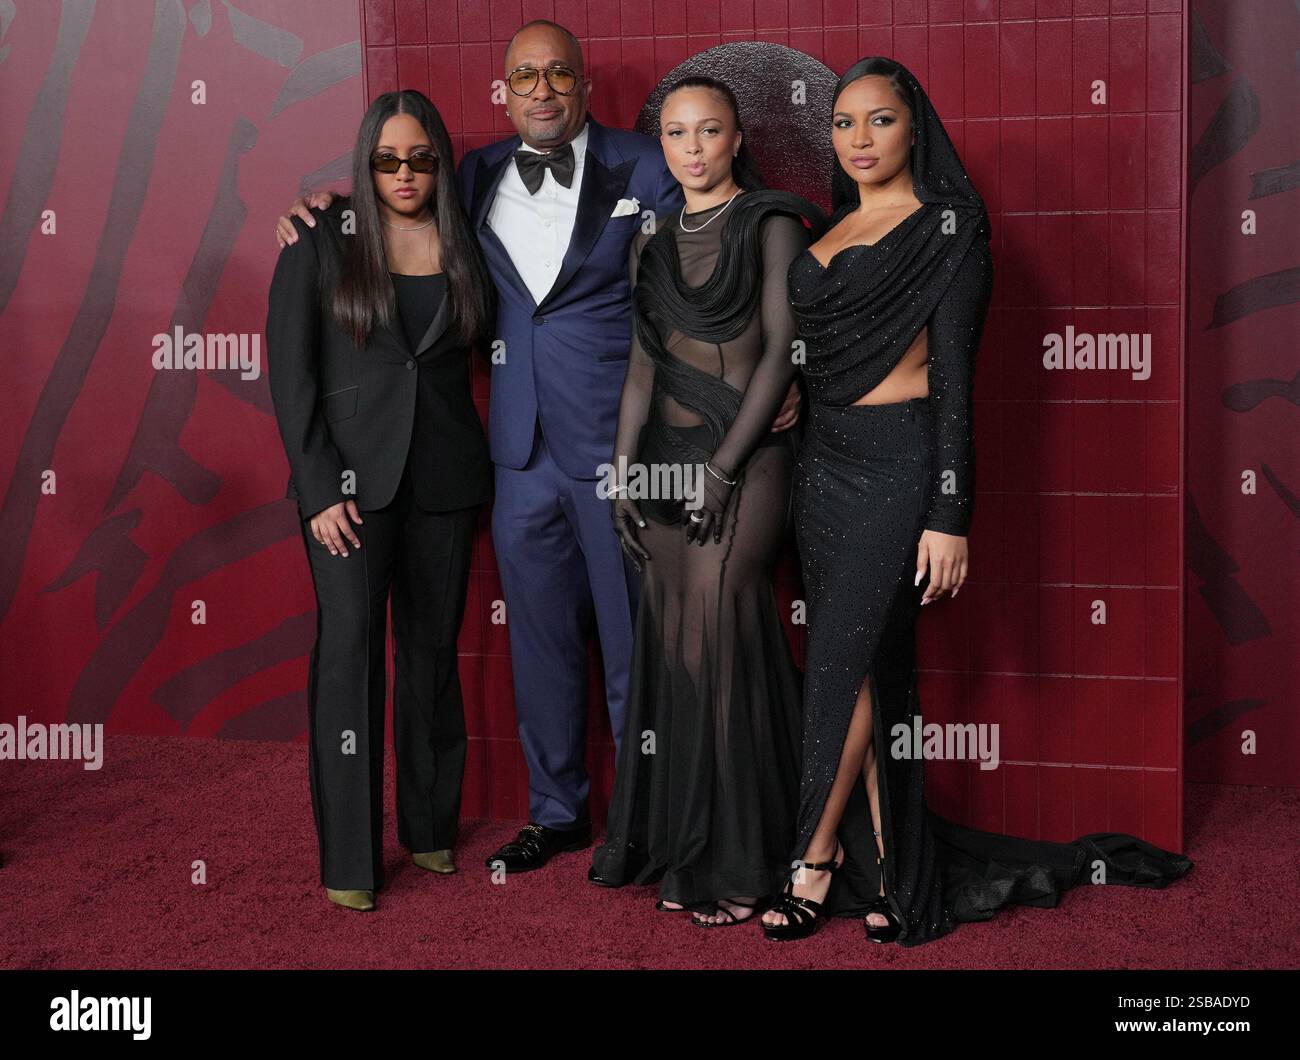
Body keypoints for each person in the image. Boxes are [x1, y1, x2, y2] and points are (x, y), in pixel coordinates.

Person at [276, 22, 803, 875]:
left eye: (560, 72)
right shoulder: (472, 173)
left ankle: (649, 820)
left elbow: (733, 242)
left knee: (640, 641)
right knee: (541, 644)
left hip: (625, 446)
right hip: (516, 453)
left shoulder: (648, 159)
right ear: (505, 91)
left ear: (586, 86)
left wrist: (788, 372)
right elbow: (390, 195)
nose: (543, 88)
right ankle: (557, 811)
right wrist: (321, 212)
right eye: (525, 75)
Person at [761, 57, 1193, 944]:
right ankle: (891, 865)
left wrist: (948, 513)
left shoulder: (950, 229)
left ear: (915, 126)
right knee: (868, 668)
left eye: (878, 120)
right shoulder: (829, 231)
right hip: (820, 468)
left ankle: (811, 859)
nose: (859, 140)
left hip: (899, 469)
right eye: (843, 124)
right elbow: (804, 354)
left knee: (839, 670)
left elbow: (957, 385)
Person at [586, 78, 824, 926]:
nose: (691, 148)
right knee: (681, 654)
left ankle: (749, 861)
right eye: (677, 133)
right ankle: (688, 844)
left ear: (734, 140)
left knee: (722, 628)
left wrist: (725, 468)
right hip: (662, 464)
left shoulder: (773, 222)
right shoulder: (649, 243)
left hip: (749, 455)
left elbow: (781, 353)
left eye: (708, 131)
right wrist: (620, 472)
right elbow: (643, 369)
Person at [266, 89, 495, 911]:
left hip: (445, 483)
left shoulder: (467, 241)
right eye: (388, 159)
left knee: (432, 658)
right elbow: (290, 377)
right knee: (350, 659)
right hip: (347, 496)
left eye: (421, 158)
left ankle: (431, 829)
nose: (405, 173)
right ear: (365, 163)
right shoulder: (319, 238)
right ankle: (352, 862)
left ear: (439, 161)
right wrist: (320, 489)